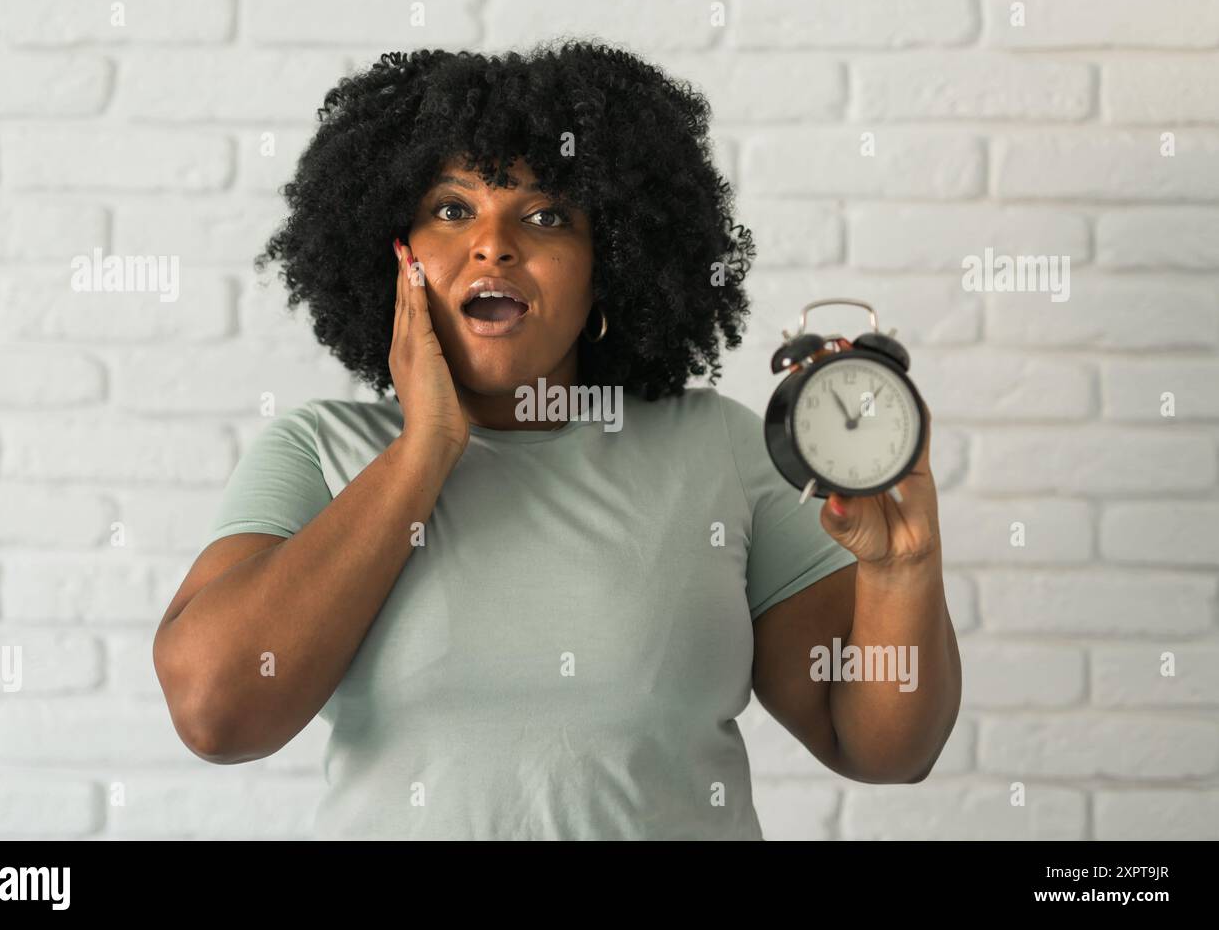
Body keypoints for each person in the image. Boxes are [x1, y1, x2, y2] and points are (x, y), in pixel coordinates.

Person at [152, 41, 961, 840]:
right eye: (451, 208)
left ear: (606, 267)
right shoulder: (318, 451)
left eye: (545, 216)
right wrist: (426, 445)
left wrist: (900, 571)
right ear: (397, 256)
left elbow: (883, 748)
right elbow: (216, 715)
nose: (493, 243)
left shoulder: (716, 447)